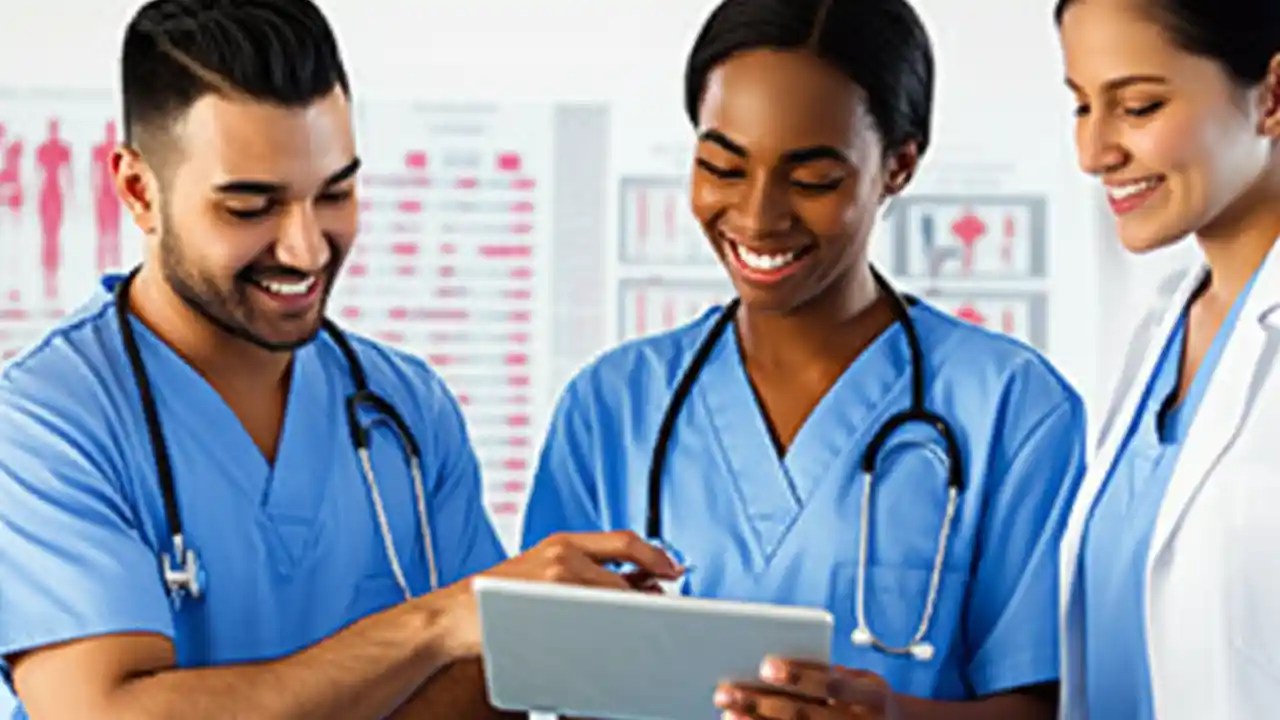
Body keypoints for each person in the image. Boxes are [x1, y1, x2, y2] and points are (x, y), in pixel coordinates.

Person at [0, 2, 681, 718]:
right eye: (250, 207)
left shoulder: (405, 411)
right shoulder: (47, 425)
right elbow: (105, 713)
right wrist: (431, 627)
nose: (306, 248)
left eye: (335, 193)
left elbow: (482, 691)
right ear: (140, 191)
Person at [520, 0, 1088, 717]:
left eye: (813, 179)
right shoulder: (613, 406)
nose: (759, 217)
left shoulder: (1010, 407)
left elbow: (1042, 704)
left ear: (899, 166)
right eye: (722, 167)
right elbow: (546, 681)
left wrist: (887, 716)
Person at [1054, 1, 1280, 718]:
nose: (1094, 152)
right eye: (1083, 106)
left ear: (1272, 98)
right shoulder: (1158, 331)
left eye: (1138, 106)